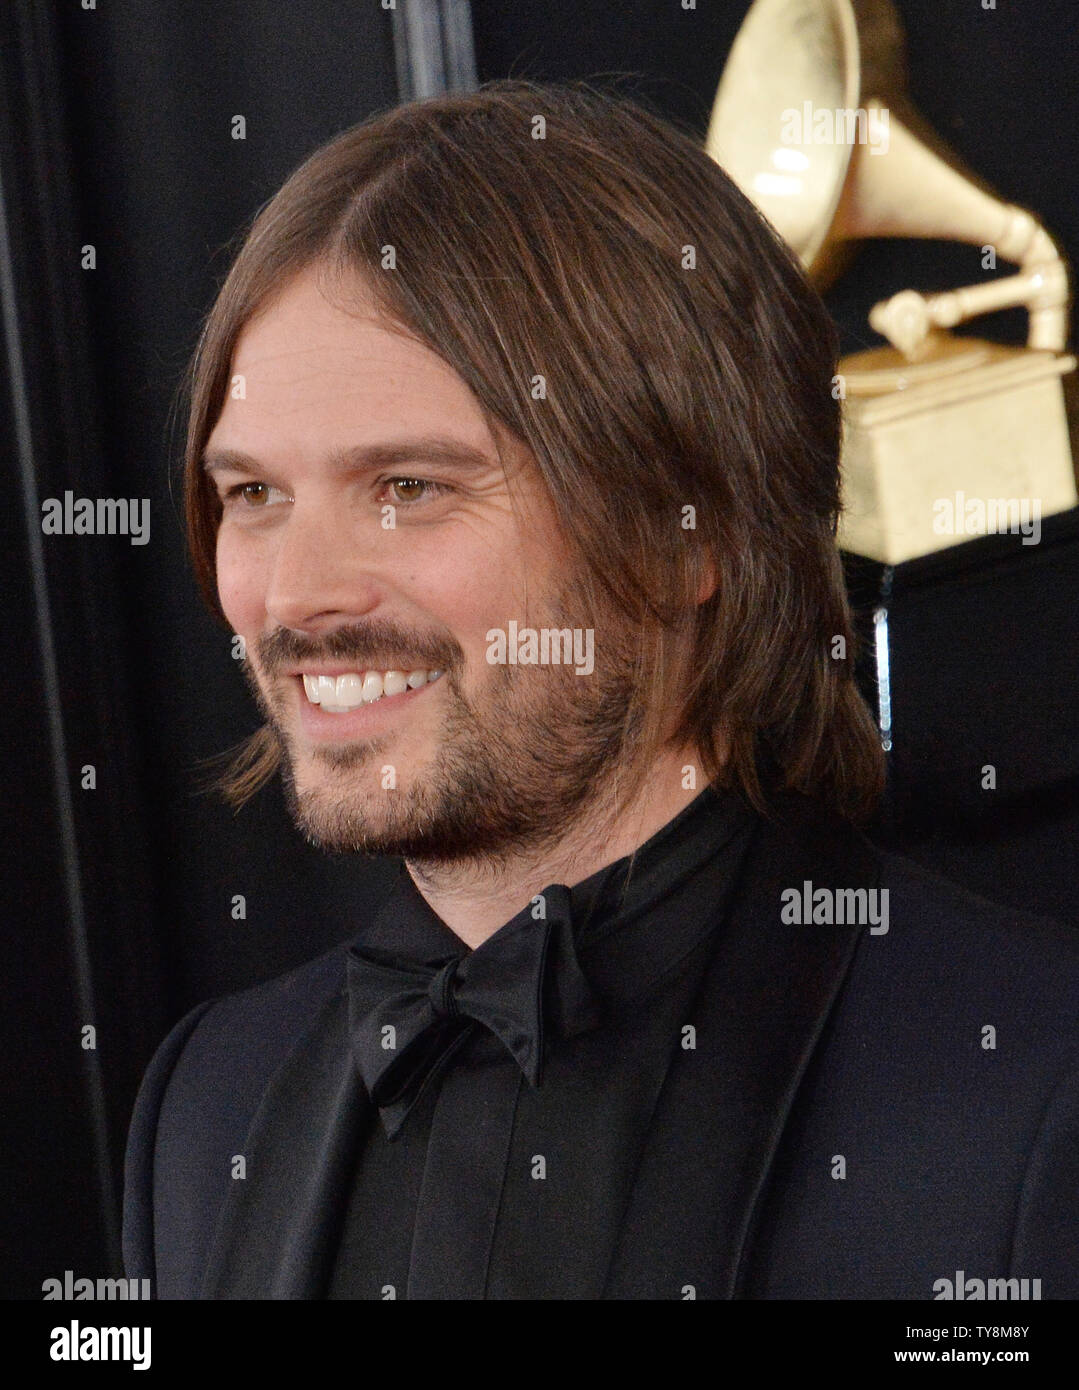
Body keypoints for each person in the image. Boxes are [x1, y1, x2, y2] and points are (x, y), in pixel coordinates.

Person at [122, 79, 1079, 1300]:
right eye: (253, 494)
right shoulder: (206, 1105)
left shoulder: (1030, 1091)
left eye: (409, 486)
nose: (294, 596)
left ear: (686, 535)